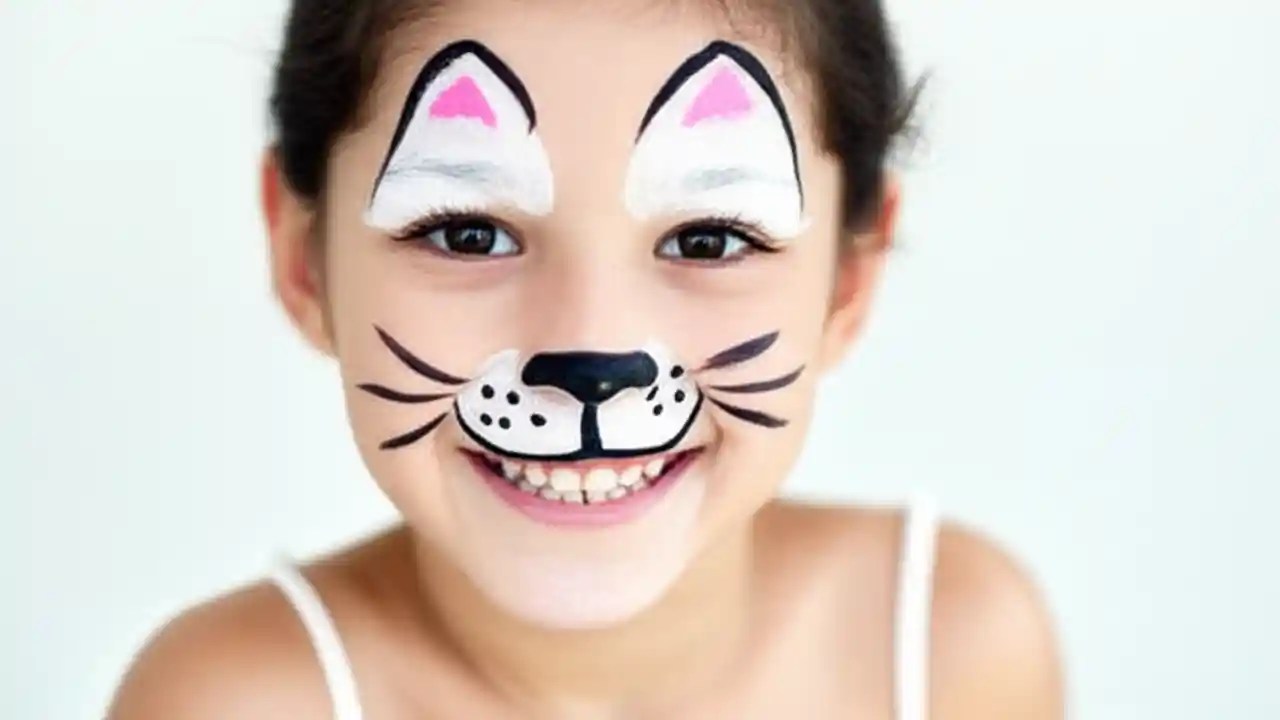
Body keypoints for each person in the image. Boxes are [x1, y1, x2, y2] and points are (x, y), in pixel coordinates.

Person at [109, 0, 1063, 717]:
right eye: (470, 233)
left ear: (848, 277)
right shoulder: (232, 702)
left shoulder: (952, 646)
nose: (590, 350)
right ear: (302, 258)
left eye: (709, 239)